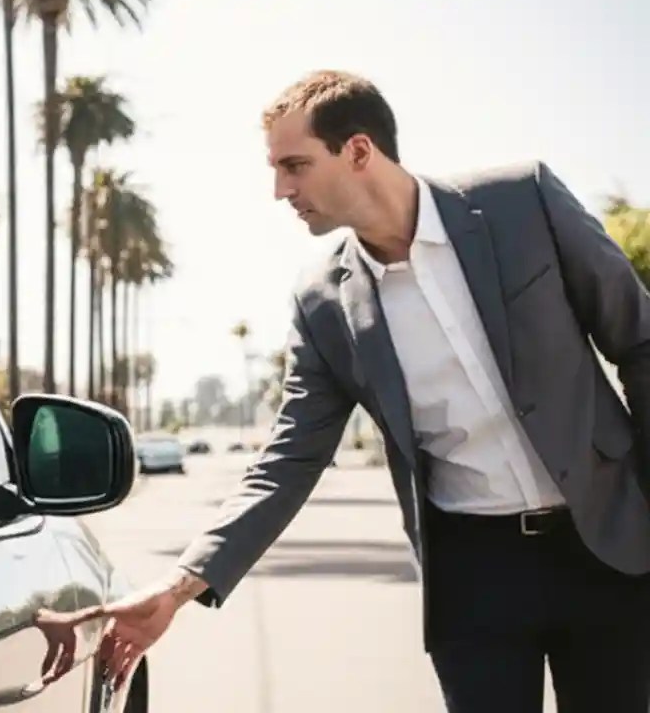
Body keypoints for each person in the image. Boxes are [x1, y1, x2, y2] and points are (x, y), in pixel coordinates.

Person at [76, 70, 650, 711]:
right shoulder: (323, 298)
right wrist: (181, 585)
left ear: (357, 151)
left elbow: (640, 341)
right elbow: (291, 455)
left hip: (607, 547)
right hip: (474, 576)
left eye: (294, 165)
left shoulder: (524, 201)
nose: (279, 190)